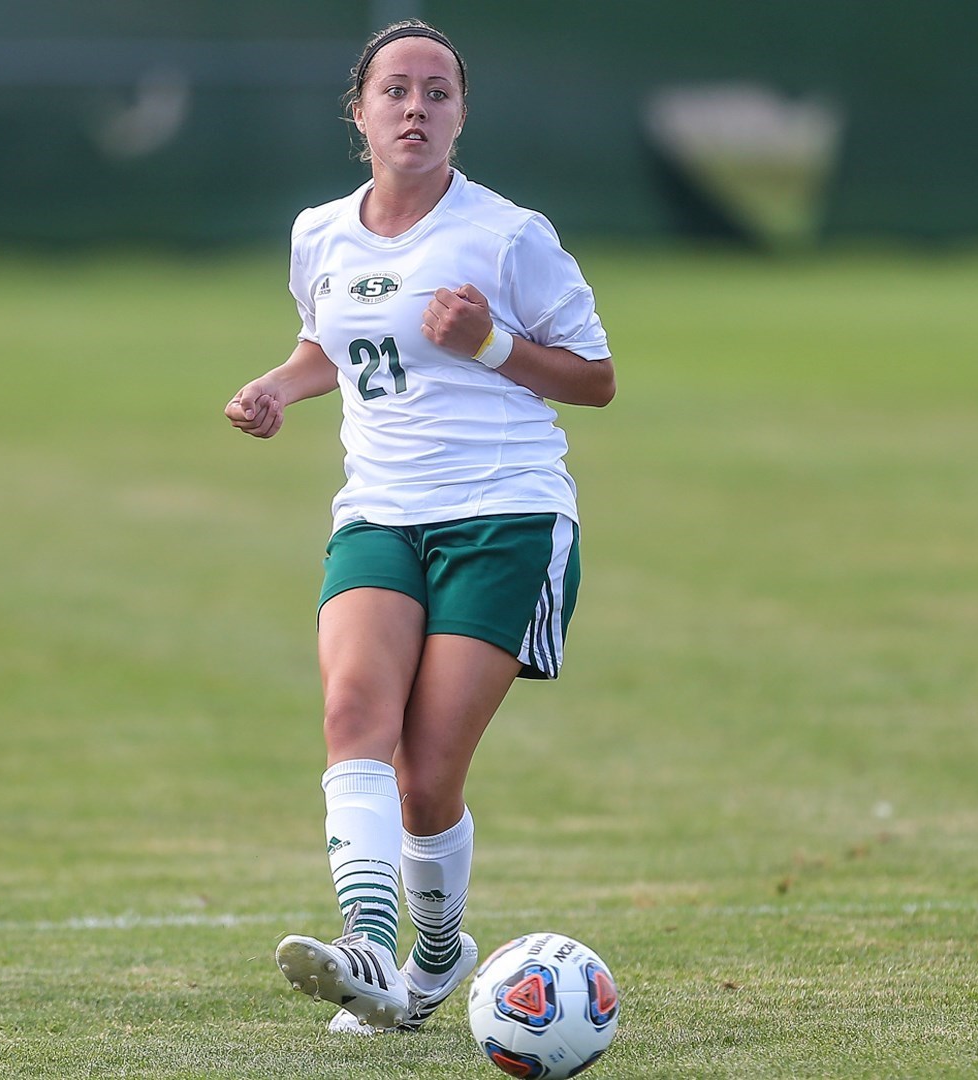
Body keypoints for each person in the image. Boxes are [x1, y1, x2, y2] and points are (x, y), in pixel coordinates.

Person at [224, 19, 615, 1035]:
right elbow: (333, 343)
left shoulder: (507, 235)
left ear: (460, 115)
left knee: (427, 775)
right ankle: (366, 941)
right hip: (381, 513)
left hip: (504, 514)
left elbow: (597, 379)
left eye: (437, 92)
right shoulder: (321, 232)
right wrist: (278, 384)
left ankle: (436, 956)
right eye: (395, 90)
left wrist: (488, 344)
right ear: (359, 113)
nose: (416, 108)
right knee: (354, 708)